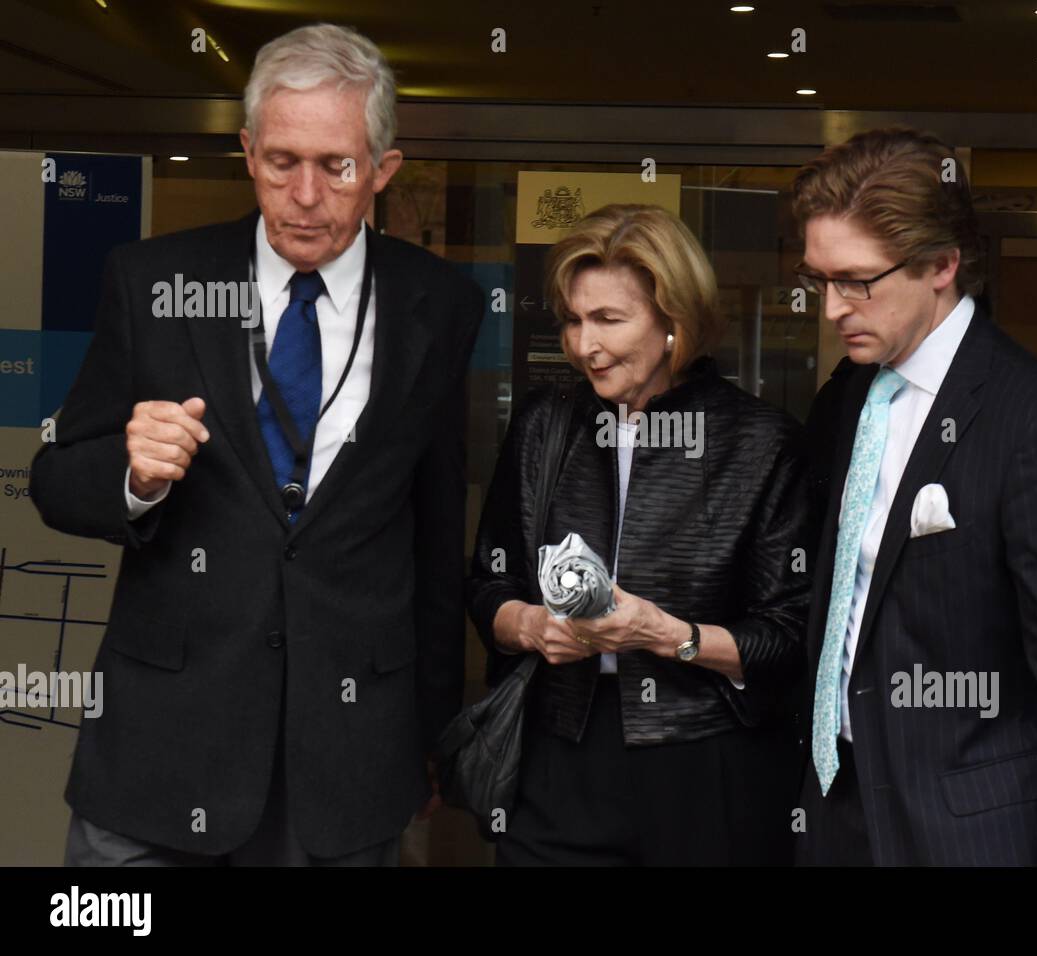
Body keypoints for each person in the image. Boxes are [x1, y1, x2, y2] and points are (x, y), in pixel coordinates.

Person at [30, 23, 484, 866]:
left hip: (349, 765)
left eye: (335, 165)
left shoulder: (439, 305)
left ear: (382, 169)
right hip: (159, 756)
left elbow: (431, 532)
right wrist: (131, 474)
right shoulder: (153, 280)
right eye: (282, 161)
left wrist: (433, 733)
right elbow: (55, 478)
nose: (305, 193)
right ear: (247, 152)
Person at [793, 126, 1037, 866]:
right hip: (839, 807)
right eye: (819, 281)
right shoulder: (852, 397)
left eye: (857, 281)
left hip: (968, 833)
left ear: (943, 265)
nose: (832, 308)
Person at [465, 203, 812, 865]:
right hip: (558, 753)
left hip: (705, 764)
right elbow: (488, 583)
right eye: (572, 319)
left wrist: (666, 636)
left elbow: (789, 637)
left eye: (608, 320)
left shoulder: (760, 442)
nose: (582, 345)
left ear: (675, 323)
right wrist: (530, 625)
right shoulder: (545, 424)